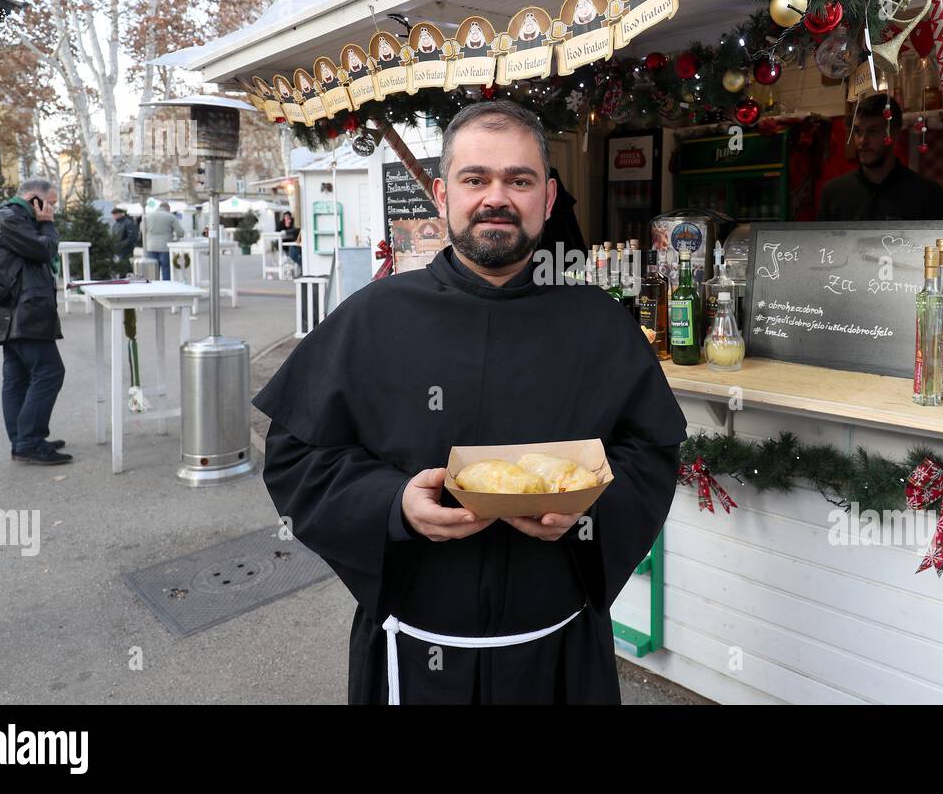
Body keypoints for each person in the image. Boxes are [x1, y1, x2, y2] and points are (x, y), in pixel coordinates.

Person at [254, 100, 687, 704]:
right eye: (475, 178)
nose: (497, 197)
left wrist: (586, 510)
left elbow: (651, 451)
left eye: (520, 179)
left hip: (558, 650)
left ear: (549, 199)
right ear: (441, 194)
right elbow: (296, 457)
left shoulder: (600, 325)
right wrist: (393, 505)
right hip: (417, 650)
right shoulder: (371, 319)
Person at [0, 179, 72, 465]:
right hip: (21, 312)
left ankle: (23, 439)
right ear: (34, 200)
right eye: (51, 203)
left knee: (17, 378)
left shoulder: (10, 218)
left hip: (13, 312)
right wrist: (47, 224)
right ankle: (28, 440)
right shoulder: (11, 220)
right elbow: (44, 250)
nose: (53, 209)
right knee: (50, 372)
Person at [817, 94, 943, 221]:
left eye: (873, 131)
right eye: (858, 131)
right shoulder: (834, 194)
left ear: (894, 134)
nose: (862, 141)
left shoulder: (928, 195)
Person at [143, 201, 185, 281]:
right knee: (166, 270)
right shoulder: (171, 216)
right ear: (168, 208)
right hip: (165, 247)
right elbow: (180, 232)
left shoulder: (148, 216)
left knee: (153, 271)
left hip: (150, 247)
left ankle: (153, 288)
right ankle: (166, 288)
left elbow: (142, 229)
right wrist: (177, 239)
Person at [110, 206, 139, 273]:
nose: (114, 216)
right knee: (121, 268)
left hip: (126, 250)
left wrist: (122, 245)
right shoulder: (115, 224)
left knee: (125, 267)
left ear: (120, 214)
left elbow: (132, 237)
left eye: (115, 214)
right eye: (113, 215)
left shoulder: (128, 223)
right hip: (118, 250)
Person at [278, 211, 302, 275]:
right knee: (287, 258)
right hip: (284, 245)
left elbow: (296, 230)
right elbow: (278, 231)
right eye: (285, 217)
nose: (287, 218)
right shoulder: (281, 223)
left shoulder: (293, 222)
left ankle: (302, 266)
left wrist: (288, 229)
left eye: (288, 216)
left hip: (293, 243)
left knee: (292, 256)